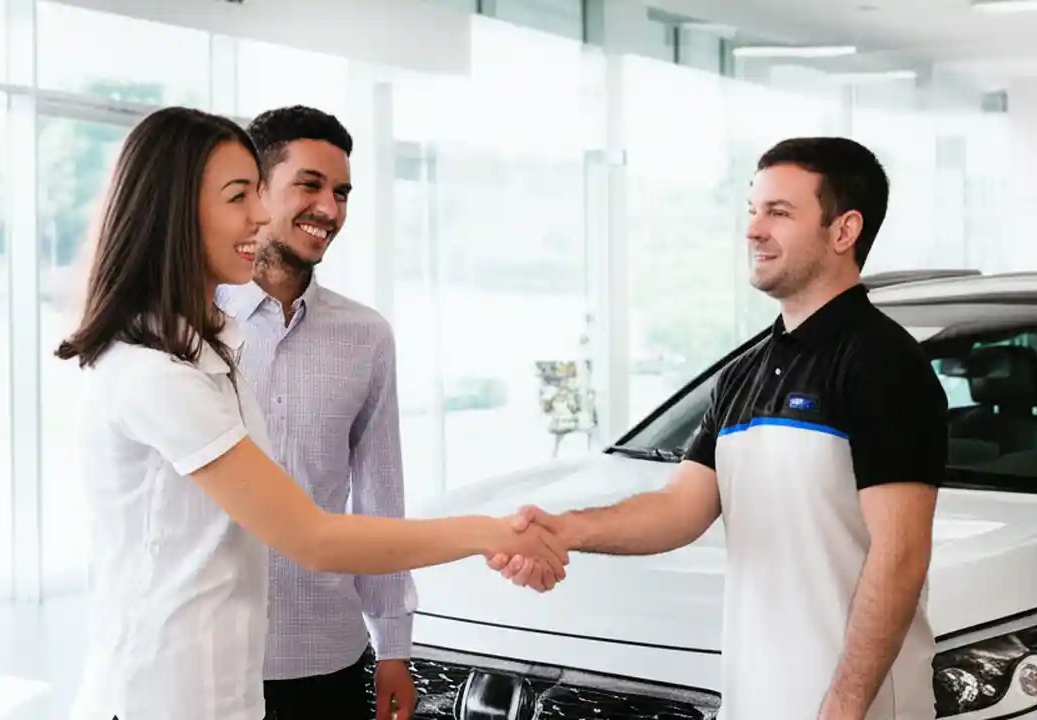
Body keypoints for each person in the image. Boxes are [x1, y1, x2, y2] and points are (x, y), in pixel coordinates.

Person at [56, 106, 567, 720]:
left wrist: (392, 642)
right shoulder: (152, 375)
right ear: (175, 213)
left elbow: (370, 496)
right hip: (160, 699)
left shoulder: (215, 351)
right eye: (239, 196)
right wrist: (488, 533)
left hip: (236, 690)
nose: (262, 215)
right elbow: (310, 535)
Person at [493, 137, 947, 720]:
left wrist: (844, 705)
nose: (753, 230)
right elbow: (680, 508)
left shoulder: (880, 362)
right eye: (752, 211)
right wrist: (563, 529)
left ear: (843, 230)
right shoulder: (745, 375)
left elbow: (901, 554)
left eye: (778, 213)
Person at [214, 105, 414, 720]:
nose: (330, 210)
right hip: (208, 660)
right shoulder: (183, 327)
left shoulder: (367, 336)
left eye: (342, 193)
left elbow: (381, 498)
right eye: (309, 184)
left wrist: (394, 647)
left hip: (327, 661)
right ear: (254, 191)